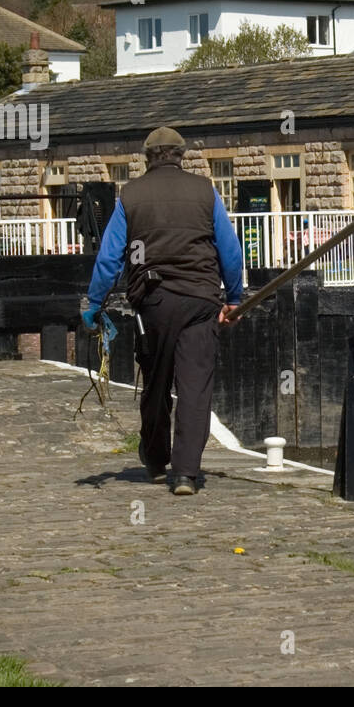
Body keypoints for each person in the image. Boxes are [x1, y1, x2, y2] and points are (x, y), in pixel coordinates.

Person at [83, 127, 245, 495]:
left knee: (156, 382)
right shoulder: (206, 191)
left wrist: (95, 304)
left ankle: (156, 461)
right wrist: (234, 297)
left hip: (153, 302)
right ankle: (186, 473)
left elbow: (110, 258)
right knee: (195, 386)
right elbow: (230, 251)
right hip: (202, 301)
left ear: (147, 158)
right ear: (181, 155)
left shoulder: (131, 196)